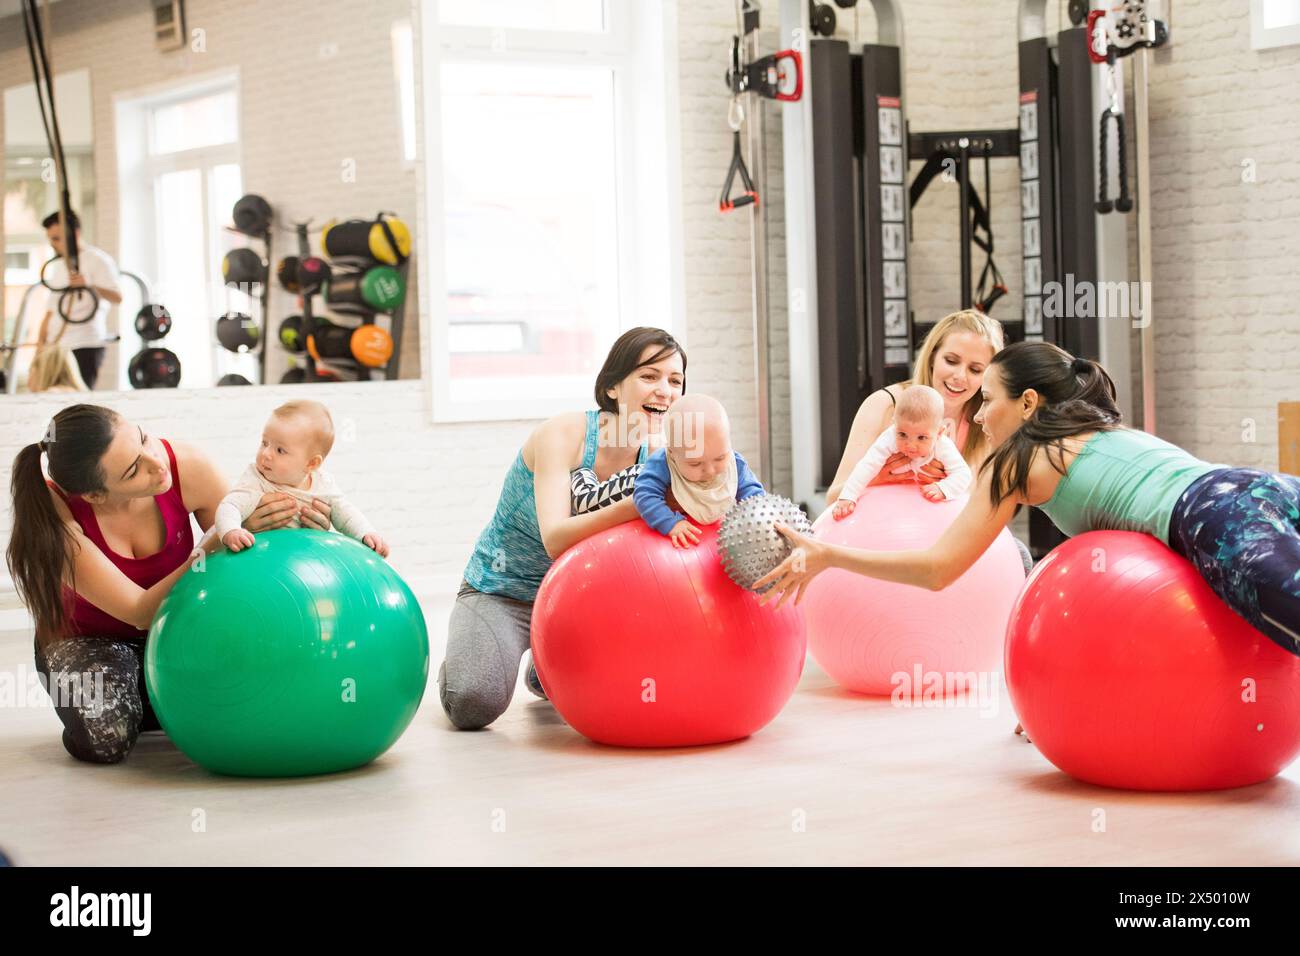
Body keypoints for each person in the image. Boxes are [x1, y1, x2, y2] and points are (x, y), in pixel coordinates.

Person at [754, 341, 1300, 660]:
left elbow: (937, 569)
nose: (980, 414)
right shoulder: (1097, 428)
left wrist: (831, 555)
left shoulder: (1012, 464)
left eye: (988, 399)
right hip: (1260, 488)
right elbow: (1106, 585)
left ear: (1028, 403)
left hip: (1220, 520)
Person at [5, 404, 335, 763]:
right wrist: (210, 541)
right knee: (107, 736)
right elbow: (138, 612)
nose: (155, 463)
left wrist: (296, 523)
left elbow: (244, 564)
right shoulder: (54, 513)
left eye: (143, 438)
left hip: (173, 628)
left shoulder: (187, 466)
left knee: (253, 696)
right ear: (95, 495)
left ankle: (153, 693)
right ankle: (140, 697)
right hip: (87, 638)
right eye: (133, 470)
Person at [439, 327, 686, 730]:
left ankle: (545, 661)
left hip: (578, 597)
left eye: (674, 381)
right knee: (473, 703)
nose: (664, 390)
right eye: (649, 376)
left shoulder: (658, 453)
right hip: (502, 590)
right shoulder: (564, 434)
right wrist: (640, 504)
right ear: (611, 387)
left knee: (590, 690)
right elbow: (555, 539)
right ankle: (475, 645)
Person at [215, 400, 388, 557]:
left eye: (280, 450)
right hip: (264, 558)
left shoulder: (323, 485)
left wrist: (366, 534)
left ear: (311, 464)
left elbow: (348, 515)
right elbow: (230, 506)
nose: (266, 454)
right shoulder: (256, 480)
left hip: (305, 560)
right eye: (264, 443)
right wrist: (232, 530)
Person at [633, 393, 765, 548]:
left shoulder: (736, 463)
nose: (709, 471)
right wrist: (669, 523)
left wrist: (757, 516)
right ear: (672, 454)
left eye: (720, 458)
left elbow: (753, 494)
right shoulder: (662, 462)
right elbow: (644, 494)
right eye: (695, 464)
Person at [831, 385, 971, 522]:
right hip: (889, 508)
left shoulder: (943, 445)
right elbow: (867, 465)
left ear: (939, 433)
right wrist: (848, 496)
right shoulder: (889, 438)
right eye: (902, 434)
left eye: (922, 438)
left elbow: (963, 474)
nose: (911, 445)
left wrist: (943, 488)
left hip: (929, 513)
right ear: (894, 425)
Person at [36, 210, 122, 390]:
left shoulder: (97, 260)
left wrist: (89, 284)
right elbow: (51, 310)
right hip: (57, 347)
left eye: (57, 238)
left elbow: (117, 297)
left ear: (74, 233)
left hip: (85, 343)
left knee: (78, 403)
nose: (53, 244)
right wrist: (40, 346)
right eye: (51, 239)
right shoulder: (59, 265)